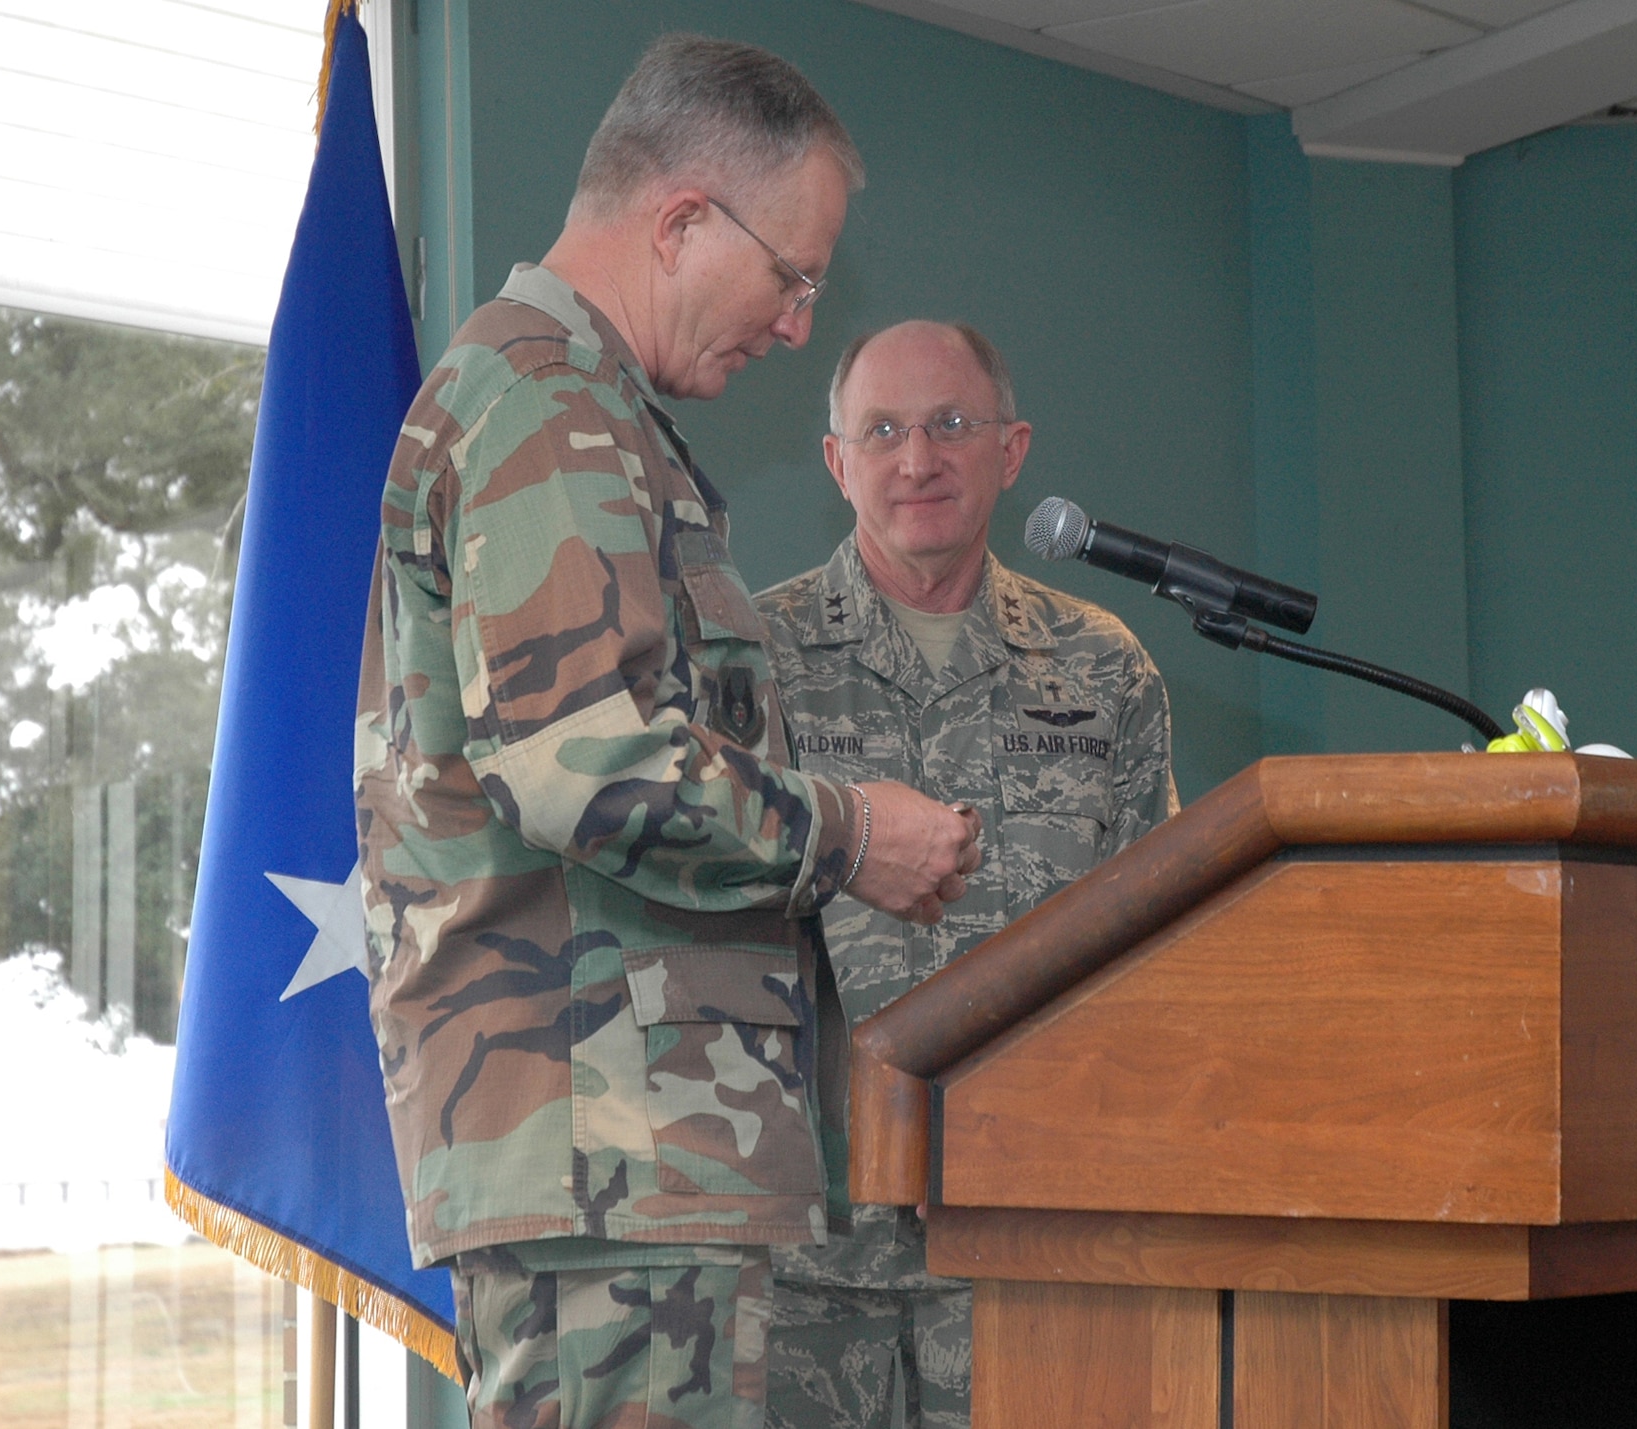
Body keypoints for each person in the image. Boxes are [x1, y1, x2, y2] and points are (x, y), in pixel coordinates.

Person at [352, 38, 983, 1429]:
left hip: (627, 1140)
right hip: (605, 1145)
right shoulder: (550, 404)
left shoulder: (580, 407)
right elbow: (592, 768)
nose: (797, 324)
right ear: (686, 219)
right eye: (793, 275)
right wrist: (851, 831)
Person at [753, 321, 1180, 1429]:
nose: (917, 459)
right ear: (836, 462)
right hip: (808, 1253)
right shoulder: (750, 656)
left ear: (1012, 448)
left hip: (1032, 1239)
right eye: (882, 430)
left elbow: (1159, 944)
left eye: (950, 424)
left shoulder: (1102, 666)